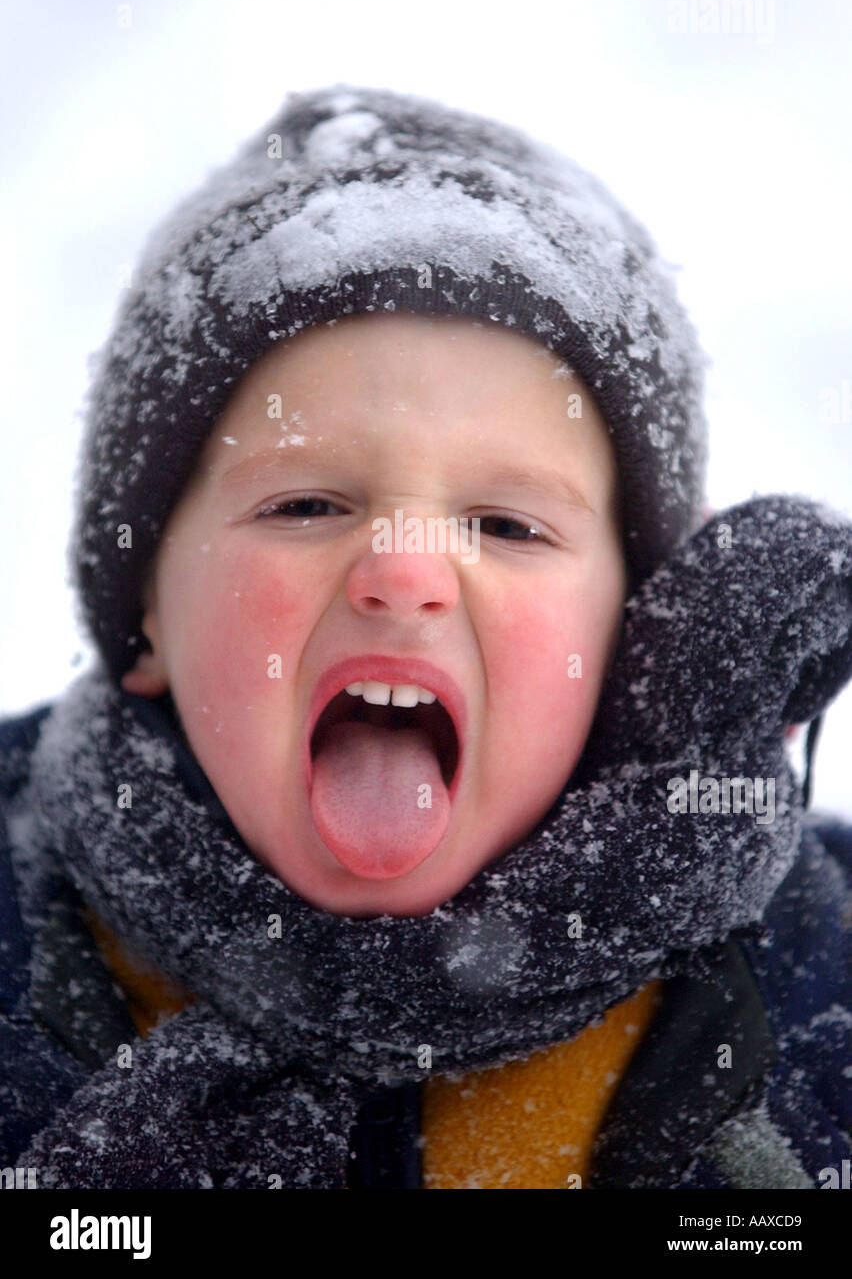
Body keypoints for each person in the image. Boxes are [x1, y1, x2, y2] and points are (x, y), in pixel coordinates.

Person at [1, 84, 850, 1190]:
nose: (403, 574)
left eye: (507, 524)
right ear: (147, 609)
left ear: (640, 629)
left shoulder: (814, 983)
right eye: (305, 504)